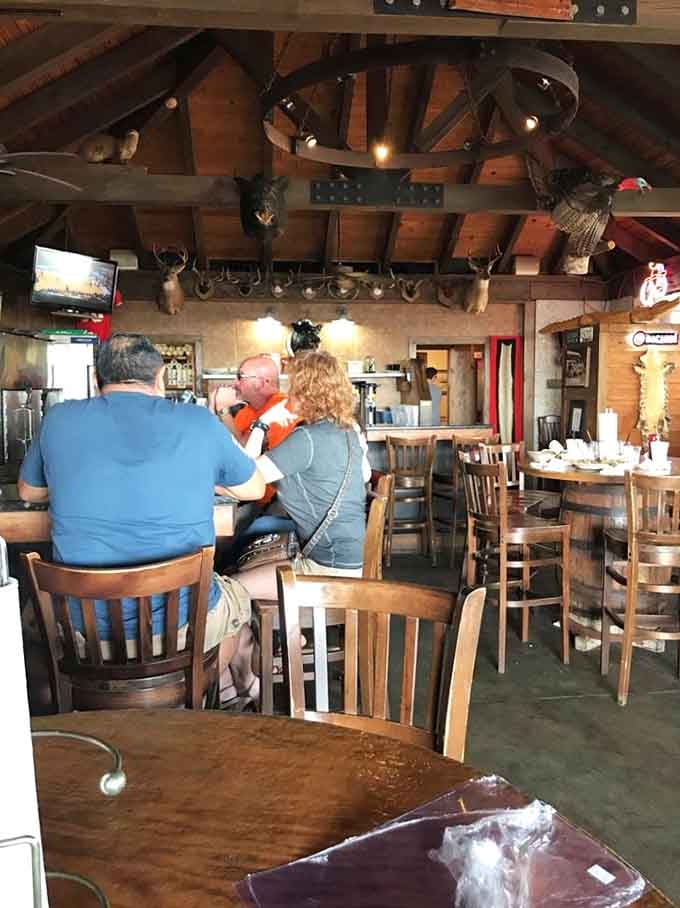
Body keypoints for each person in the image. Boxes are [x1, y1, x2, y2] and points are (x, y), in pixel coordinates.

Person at [18, 333, 265, 703]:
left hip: (83, 635)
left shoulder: (60, 419)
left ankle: (66, 706)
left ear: (97, 379)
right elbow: (254, 489)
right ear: (161, 376)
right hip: (181, 631)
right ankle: (218, 692)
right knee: (236, 599)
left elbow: (28, 492)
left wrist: (79, 478)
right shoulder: (197, 421)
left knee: (30, 610)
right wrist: (199, 478)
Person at [235, 351, 371, 601]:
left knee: (230, 587)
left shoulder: (306, 438)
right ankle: (292, 640)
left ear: (307, 391)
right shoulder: (344, 432)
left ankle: (276, 641)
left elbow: (244, 476)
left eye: (293, 385)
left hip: (328, 569)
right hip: (351, 558)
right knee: (245, 563)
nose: (288, 394)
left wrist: (263, 422)